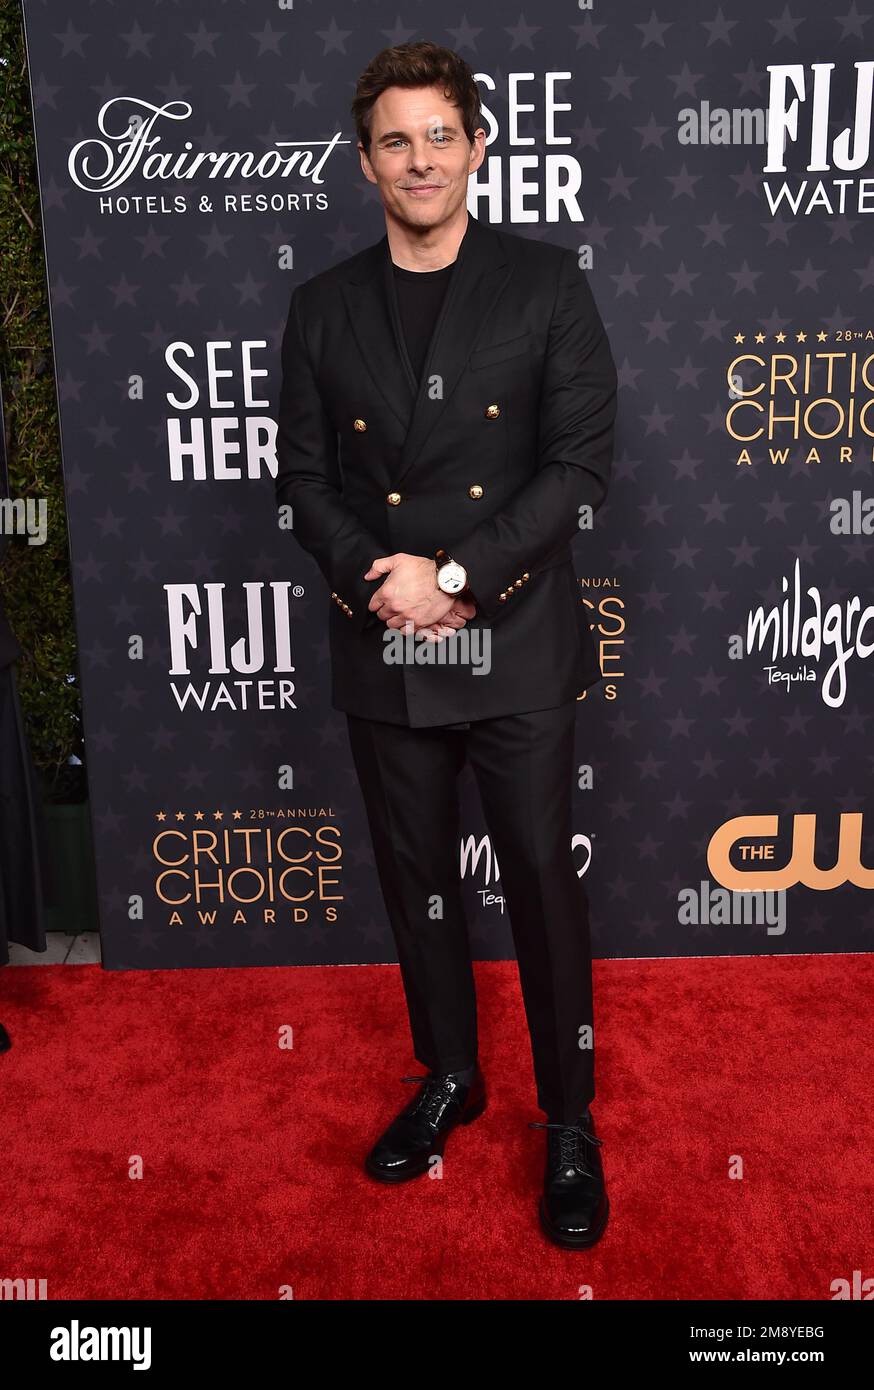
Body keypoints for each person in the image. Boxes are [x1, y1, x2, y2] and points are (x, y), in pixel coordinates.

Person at [276, 41, 618, 1248]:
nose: (418, 160)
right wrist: (387, 583)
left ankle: (567, 1116)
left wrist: (458, 575)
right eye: (394, 140)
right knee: (413, 879)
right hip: (386, 635)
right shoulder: (321, 306)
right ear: (364, 161)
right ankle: (449, 1076)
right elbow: (302, 479)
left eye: (439, 136)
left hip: (510, 636)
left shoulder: (546, 283)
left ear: (476, 146)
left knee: (540, 887)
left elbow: (578, 462)